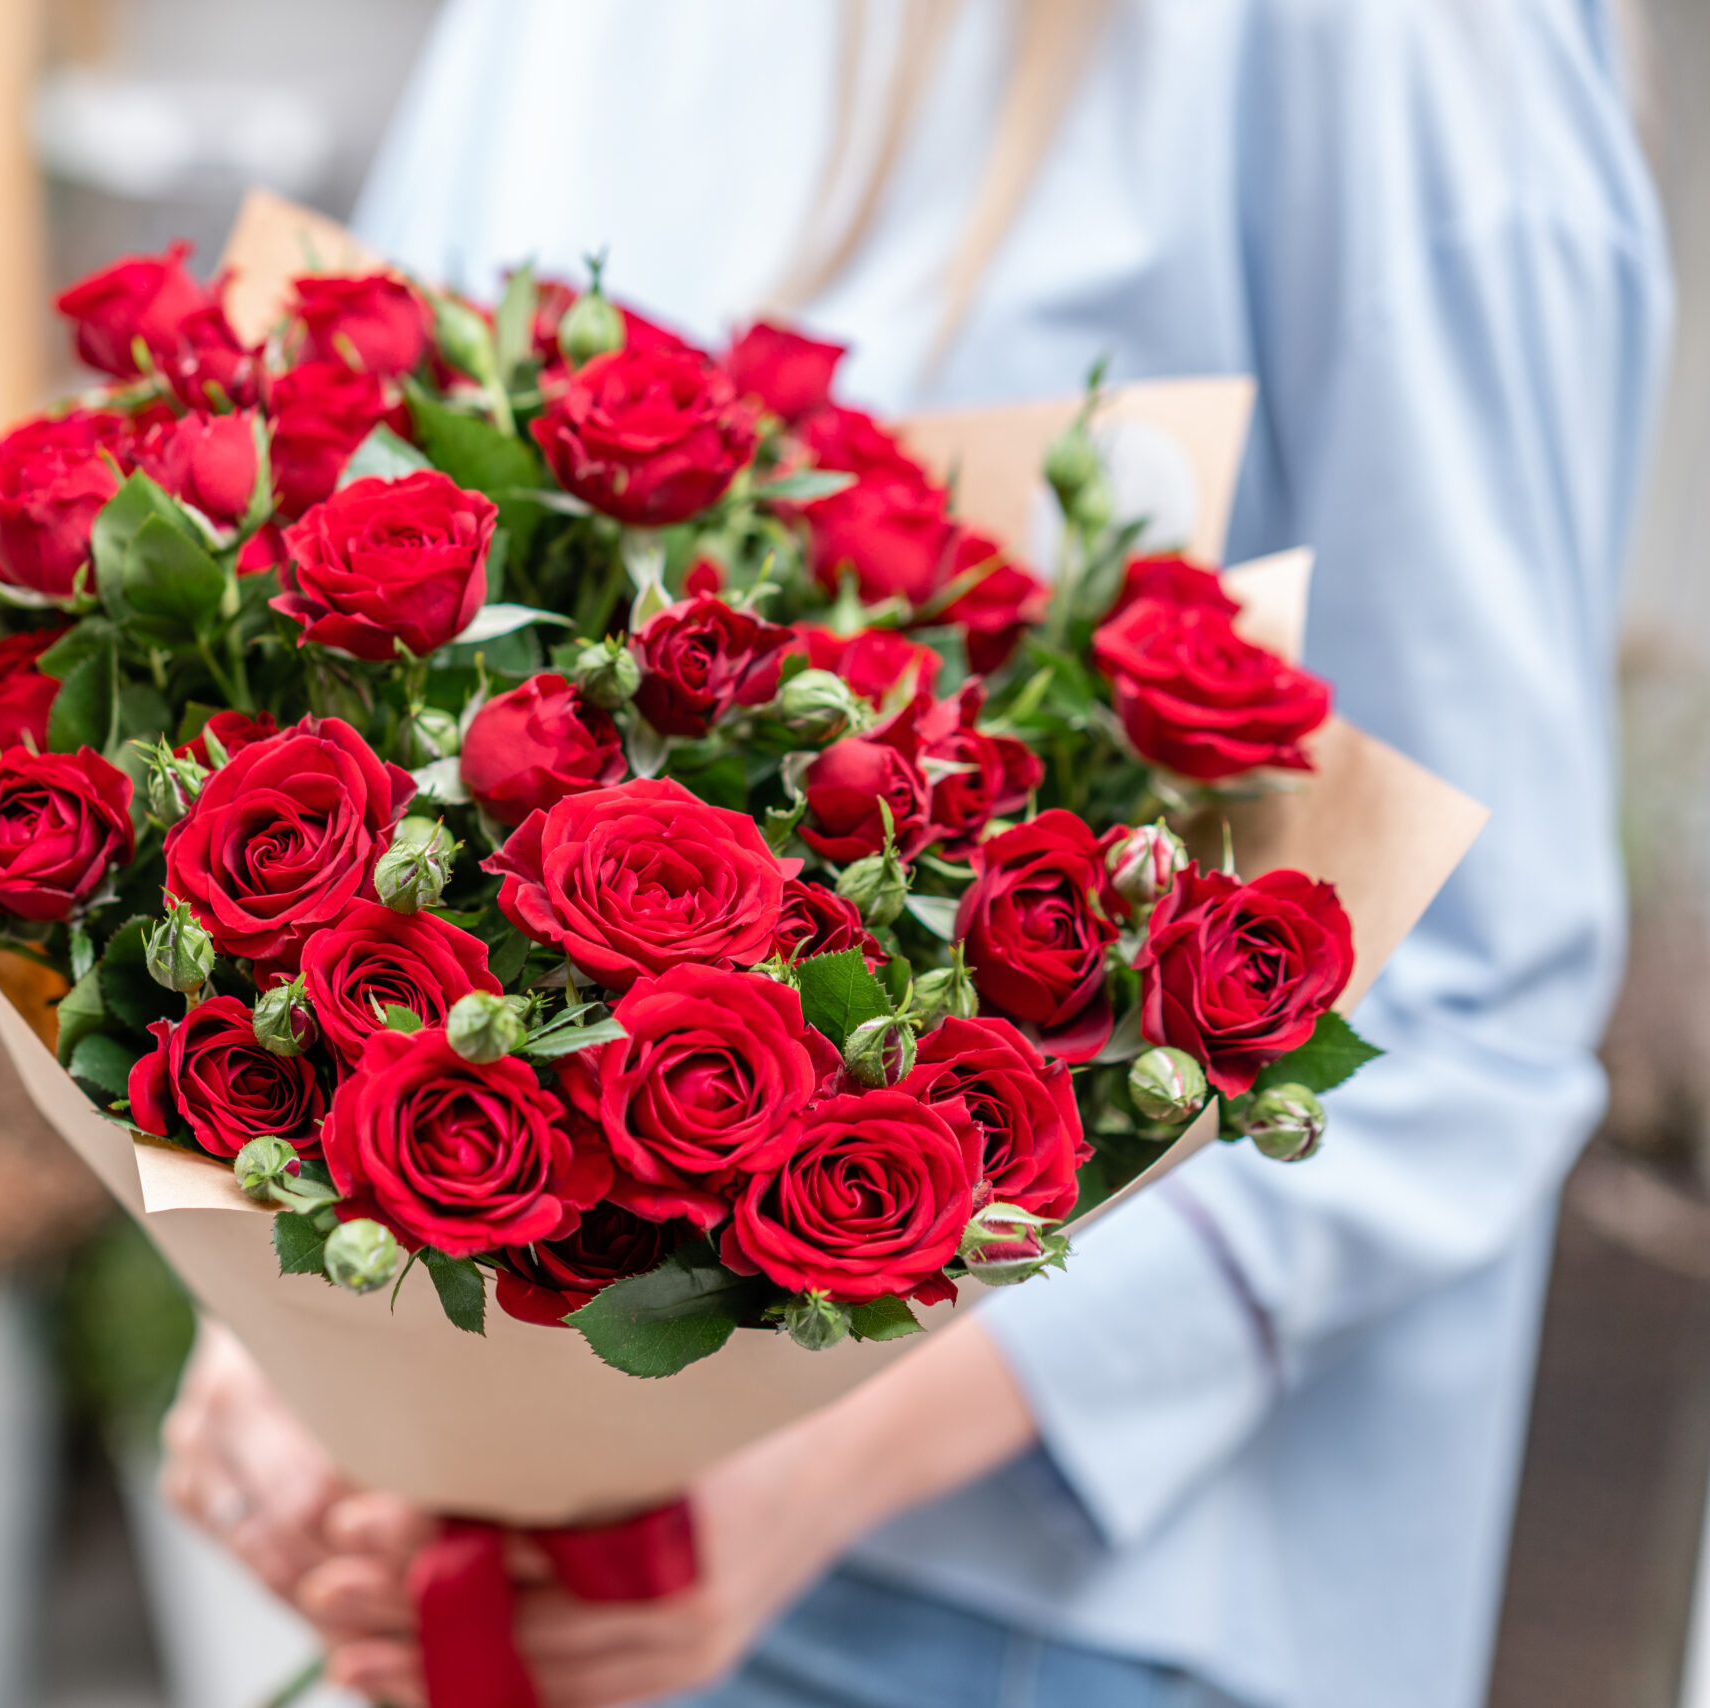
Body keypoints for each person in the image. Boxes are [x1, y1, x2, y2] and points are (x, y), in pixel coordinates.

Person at [159, 2, 1675, 1705]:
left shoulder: (1383, 45)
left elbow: (1476, 996)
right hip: (530, 1565)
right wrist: (277, 1309)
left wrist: (805, 1460)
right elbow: (350, 592)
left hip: (1058, 1611)